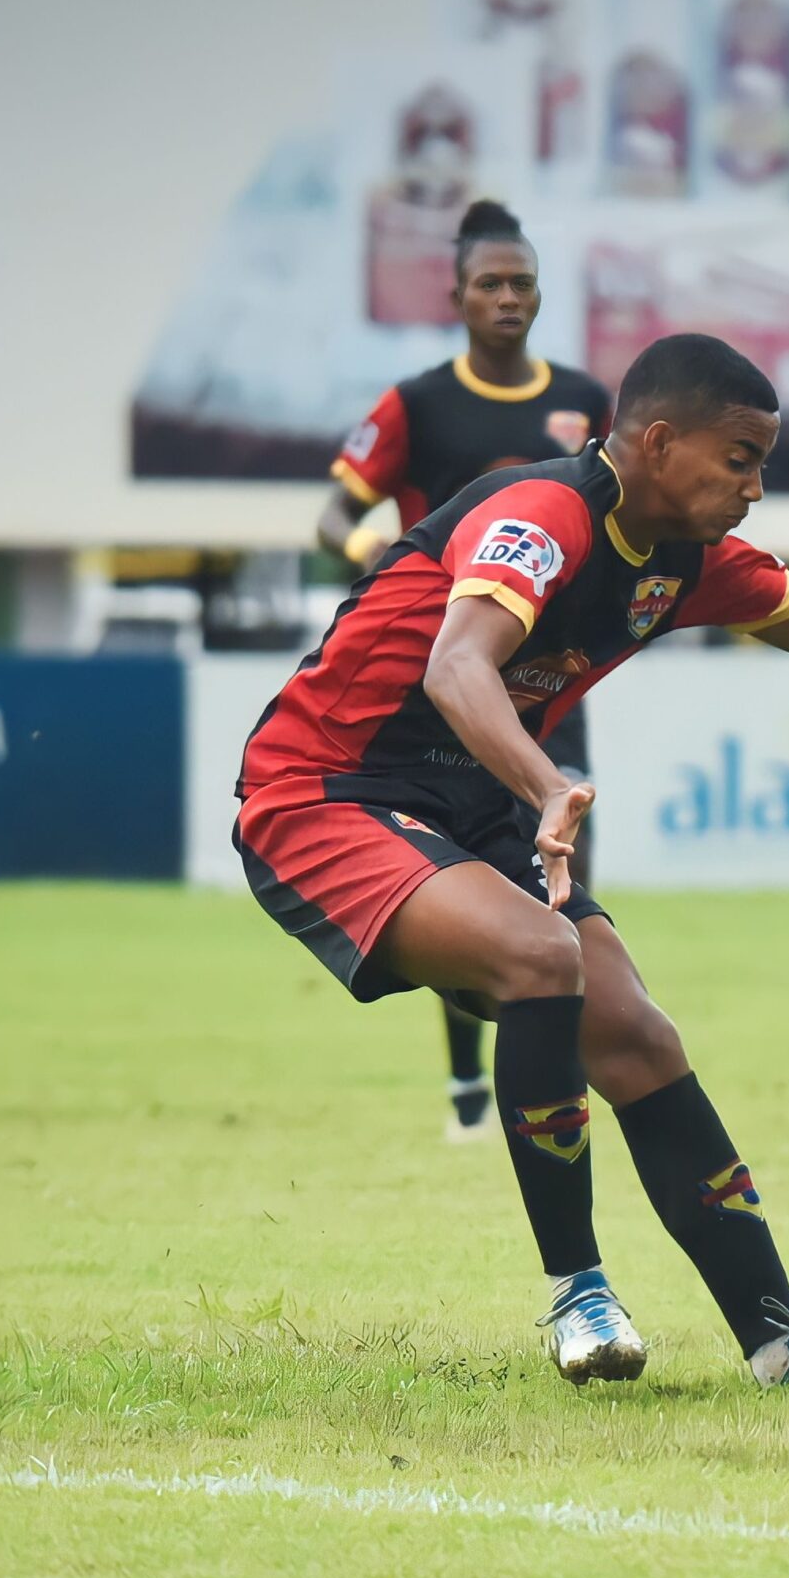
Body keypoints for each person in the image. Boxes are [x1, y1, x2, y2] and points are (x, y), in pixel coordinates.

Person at [242, 332, 789, 1394]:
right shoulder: (540, 515)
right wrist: (547, 789)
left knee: (634, 1032)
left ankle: (783, 1349)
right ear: (657, 442)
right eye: (739, 456)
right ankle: (579, 1297)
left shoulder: (687, 559)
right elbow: (456, 667)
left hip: (470, 801)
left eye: (763, 462)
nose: (755, 485)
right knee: (539, 955)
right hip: (325, 788)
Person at [319, 198, 617, 1145]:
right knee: (468, 886)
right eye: (489, 283)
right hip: (453, 674)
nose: (507, 298)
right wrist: (371, 548)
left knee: (564, 874)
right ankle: (466, 1087)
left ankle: (552, 1078)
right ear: (456, 296)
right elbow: (334, 513)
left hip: (553, 678)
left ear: (539, 294)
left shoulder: (583, 402)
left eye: (522, 283)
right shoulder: (416, 404)